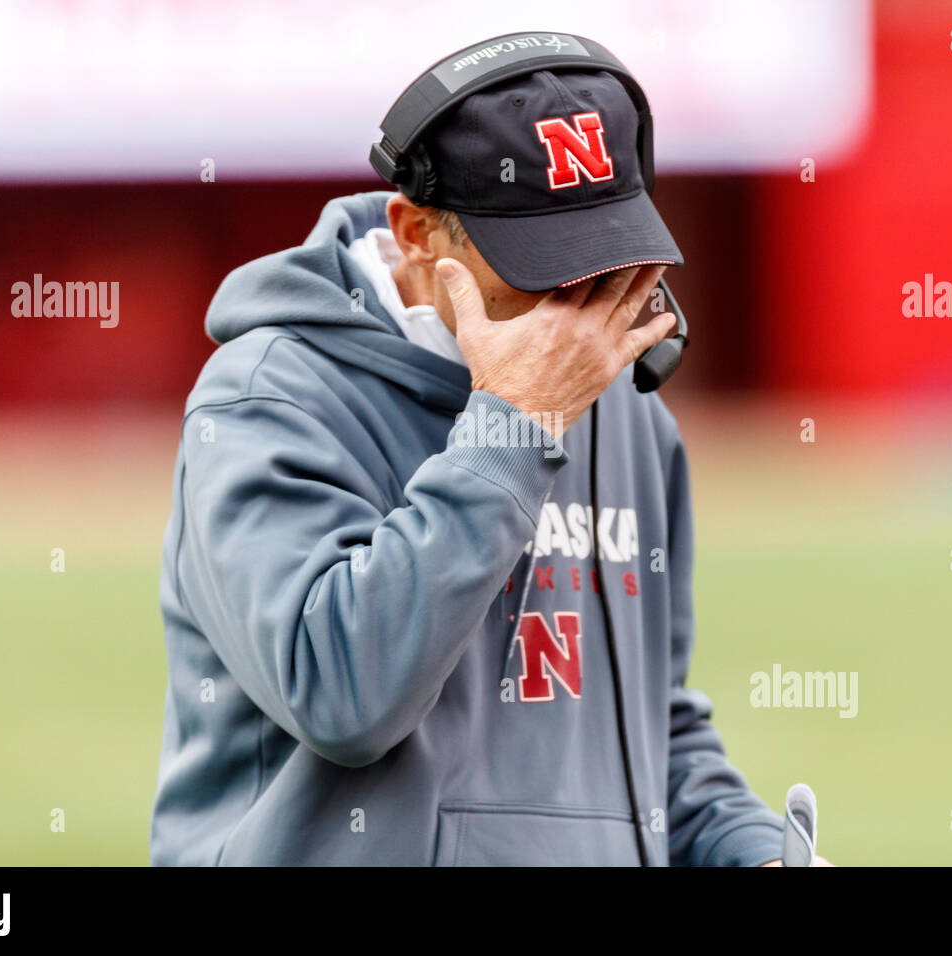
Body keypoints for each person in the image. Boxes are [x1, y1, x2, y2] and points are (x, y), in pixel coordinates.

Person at [150, 38, 823, 866]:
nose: (578, 308)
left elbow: (651, 739)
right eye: (540, 267)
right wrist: (514, 426)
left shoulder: (627, 414)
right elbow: (342, 695)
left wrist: (754, 853)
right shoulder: (267, 399)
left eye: (605, 257)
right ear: (415, 236)